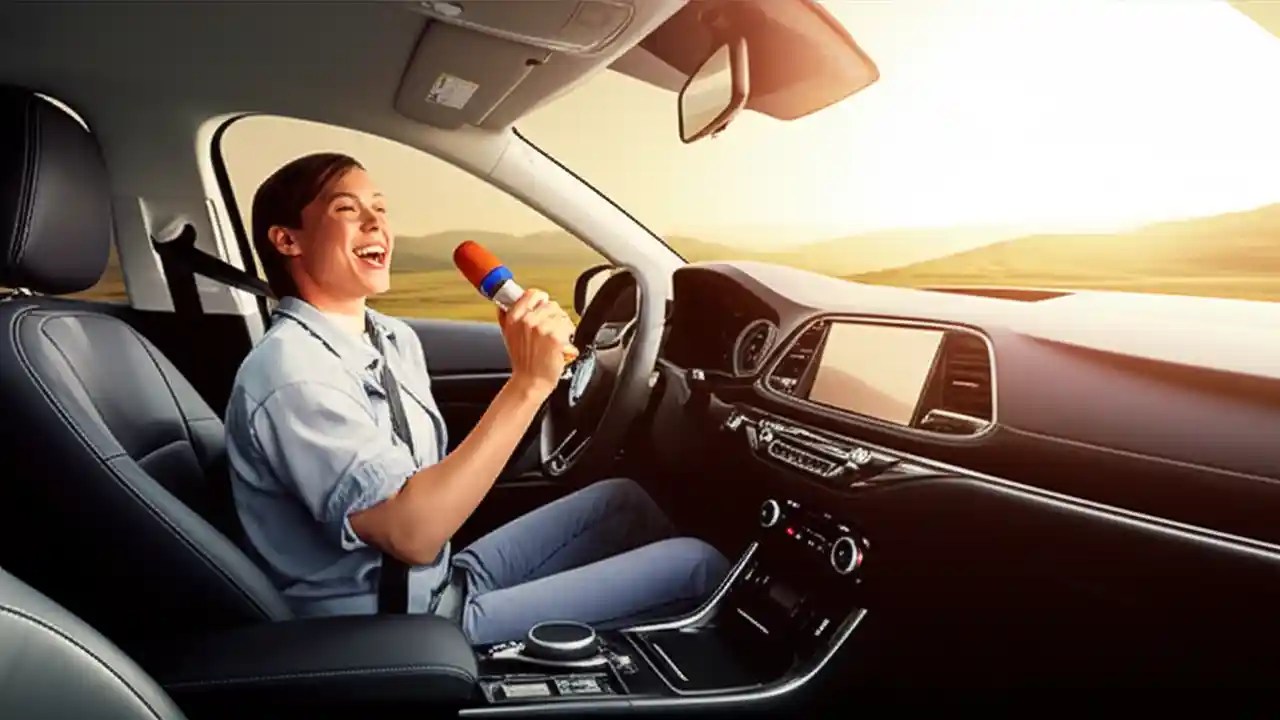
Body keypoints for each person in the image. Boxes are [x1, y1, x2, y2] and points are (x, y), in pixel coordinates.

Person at [223, 152, 729, 645]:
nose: (376, 223)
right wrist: (528, 384)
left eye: (380, 208)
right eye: (347, 210)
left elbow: (425, 492)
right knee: (699, 565)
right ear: (287, 240)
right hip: (397, 625)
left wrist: (531, 370)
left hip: (439, 579)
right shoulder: (293, 374)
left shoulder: (389, 337)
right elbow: (412, 534)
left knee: (624, 503)